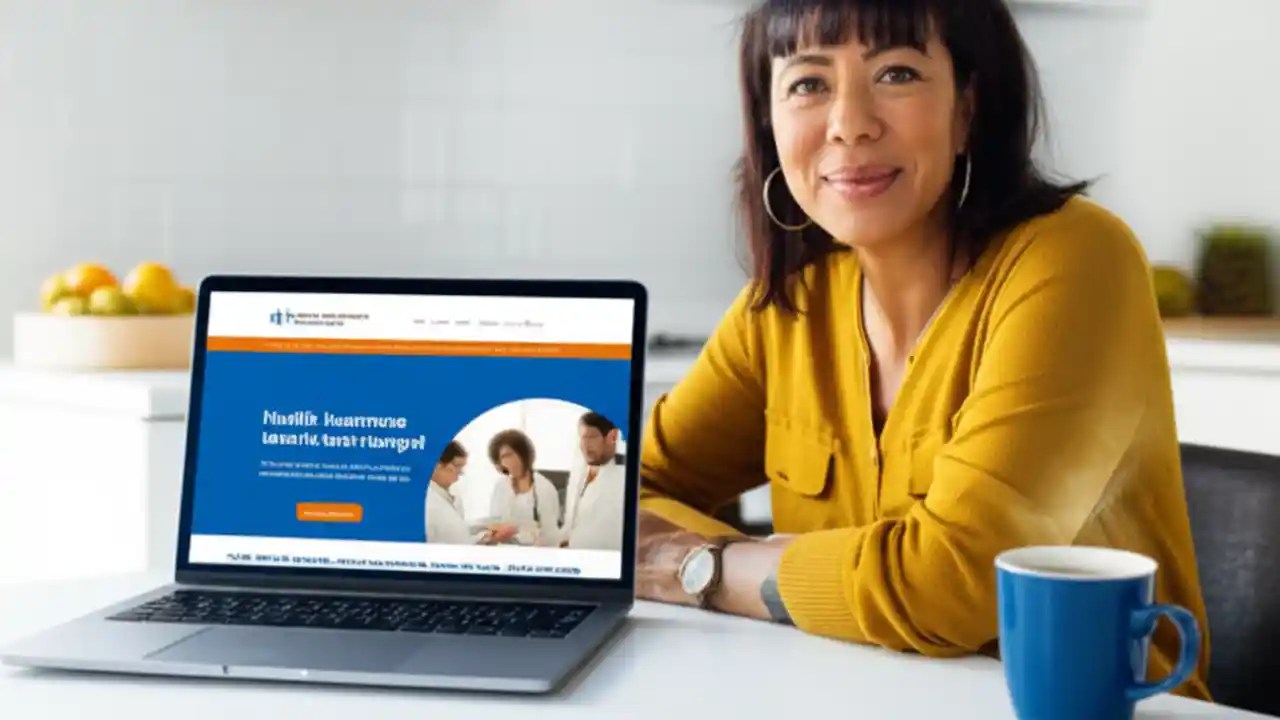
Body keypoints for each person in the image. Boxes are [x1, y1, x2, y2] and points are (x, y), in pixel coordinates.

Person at [635, 0, 1211, 701]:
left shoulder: (1076, 260)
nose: (849, 123)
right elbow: (618, 500)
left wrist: (712, 569)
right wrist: (767, 570)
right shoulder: (787, 305)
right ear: (770, 123)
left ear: (967, 110)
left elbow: (951, 585)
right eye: (808, 84)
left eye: (897, 73)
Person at [561, 412, 626, 551]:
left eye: (591, 437)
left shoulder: (624, 478)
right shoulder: (578, 473)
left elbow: (607, 536)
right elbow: (570, 522)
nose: (585, 445)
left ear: (612, 437)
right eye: (582, 437)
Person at [487, 429, 562, 546]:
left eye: (507, 455)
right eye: (500, 458)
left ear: (523, 454)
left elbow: (550, 535)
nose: (504, 462)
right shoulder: (501, 486)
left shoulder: (544, 488)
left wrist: (517, 533)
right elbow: (495, 522)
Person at [424, 441, 487, 545]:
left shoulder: (444, 498)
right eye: (457, 466)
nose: (460, 473)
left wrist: (483, 537)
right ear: (436, 465)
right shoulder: (429, 503)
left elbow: (456, 535)